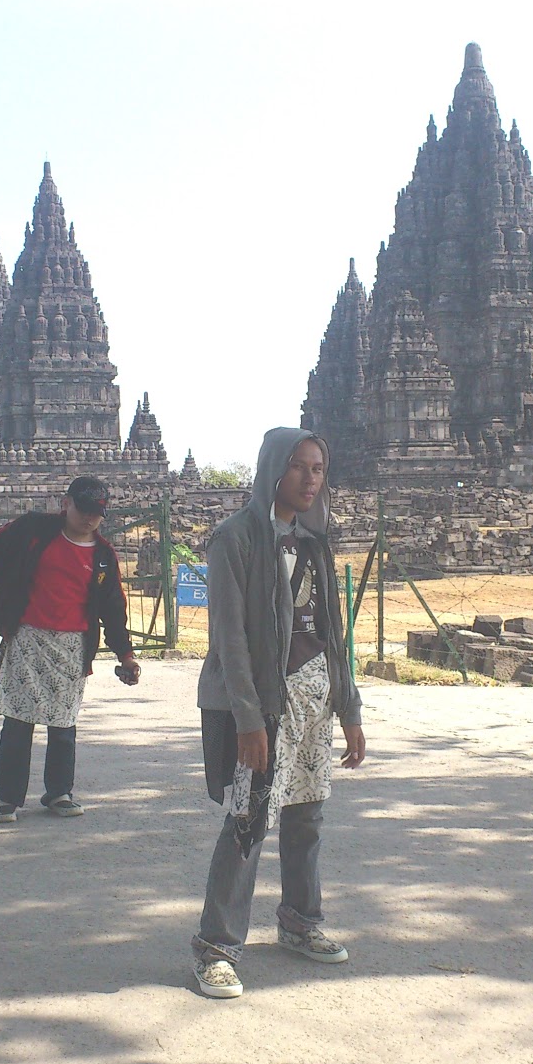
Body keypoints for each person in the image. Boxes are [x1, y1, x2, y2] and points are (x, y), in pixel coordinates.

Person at [190, 428, 365, 1000]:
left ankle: (300, 920)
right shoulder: (235, 540)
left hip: (313, 697)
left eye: (319, 469)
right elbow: (231, 641)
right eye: (300, 468)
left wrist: (349, 707)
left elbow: (333, 632)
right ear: (273, 471)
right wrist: (247, 720)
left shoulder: (314, 541)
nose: (311, 480)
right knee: (248, 819)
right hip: (261, 701)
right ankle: (217, 947)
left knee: (307, 815)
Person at [0, 476, 140, 824]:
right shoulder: (34, 530)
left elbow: (112, 608)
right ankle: (7, 797)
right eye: (83, 510)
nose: (89, 519)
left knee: (64, 724)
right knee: (18, 722)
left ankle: (59, 791)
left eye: (97, 513)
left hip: (72, 645)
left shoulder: (104, 556)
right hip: (28, 637)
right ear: (66, 504)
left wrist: (125, 654)